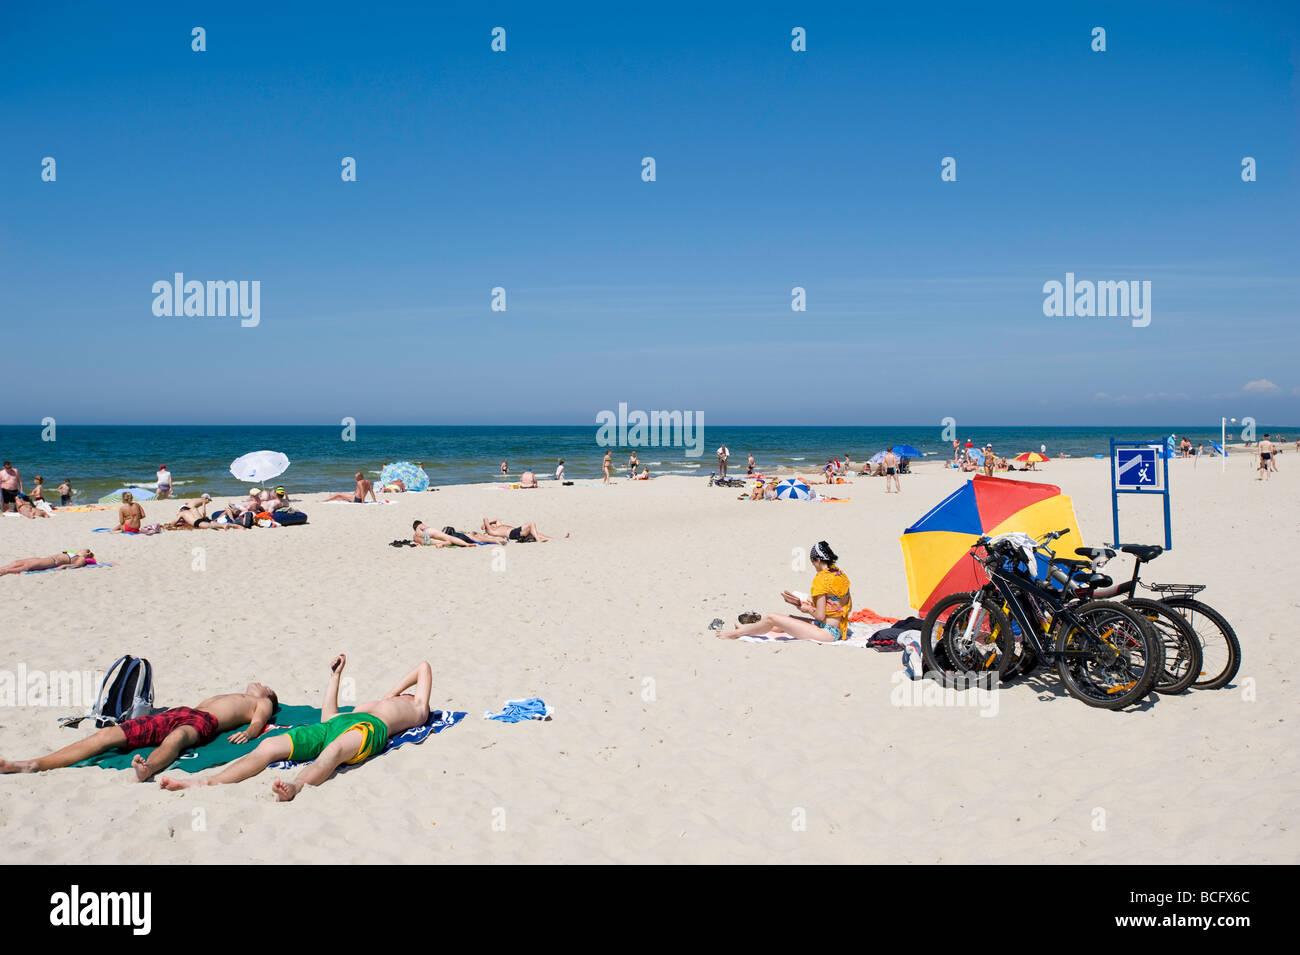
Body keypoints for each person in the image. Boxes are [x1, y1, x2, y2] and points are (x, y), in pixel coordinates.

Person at [159, 656, 432, 802]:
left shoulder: (418, 709)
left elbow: (423, 667)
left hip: (369, 729)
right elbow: (328, 716)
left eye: (409, 693)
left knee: (335, 751)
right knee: (268, 746)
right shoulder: (381, 702)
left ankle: (297, 786)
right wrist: (336, 677)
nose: (406, 695)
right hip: (335, 725)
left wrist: (395, 693)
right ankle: (207, 781)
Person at [1, 682, 277, 781]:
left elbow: (259, 719)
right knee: (106, 736)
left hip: (203, 721)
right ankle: (33, 764)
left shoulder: (261, 701)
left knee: (177, 739)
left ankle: (149, 768)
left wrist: (251, 733)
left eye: (264, 686)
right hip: (179, 711)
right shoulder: (238, 694)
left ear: (269, 694)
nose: (258, 684)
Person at [717, 541, 852, 642]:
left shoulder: (821, 580)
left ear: (817, 560)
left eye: (812, 562)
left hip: (827, 633)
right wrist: (806, 606)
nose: (813, 566)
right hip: (837, 628)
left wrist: (808, 609)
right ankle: (749, 628)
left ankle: (737, 633)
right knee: (787, 619)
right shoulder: (840, 575)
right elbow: (846, 606)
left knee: (772, 617)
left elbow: (820, 616)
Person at [1, 549, 95, 576]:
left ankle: (6, 571)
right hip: (47, 558)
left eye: (84, 550)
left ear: (86, 554)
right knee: (18, 562)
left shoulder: (81, 558)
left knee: (27, 566)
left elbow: (76, 565)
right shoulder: (74, 553)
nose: (81, 549)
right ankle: (3, 568)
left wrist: (64, 565)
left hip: (52, 562)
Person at [410, 520, 500, 547]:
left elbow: (419, 543)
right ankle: (467, 544)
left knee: (444, 540)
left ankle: (493, 540)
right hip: (435, 535)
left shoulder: (415, 536)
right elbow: (424, 528)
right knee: (451, 538)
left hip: (428, 541)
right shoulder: (421, 527)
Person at [479, 517, 568, 542]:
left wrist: (490, 523)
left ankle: (556, 539)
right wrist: (485, 525)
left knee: (536, 533)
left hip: (516, 531)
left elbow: (497, 519)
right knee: (531, 524)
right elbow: (485, 518)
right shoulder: (492, 531)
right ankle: (538, 540)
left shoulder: (497, 526)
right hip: (513, 534)